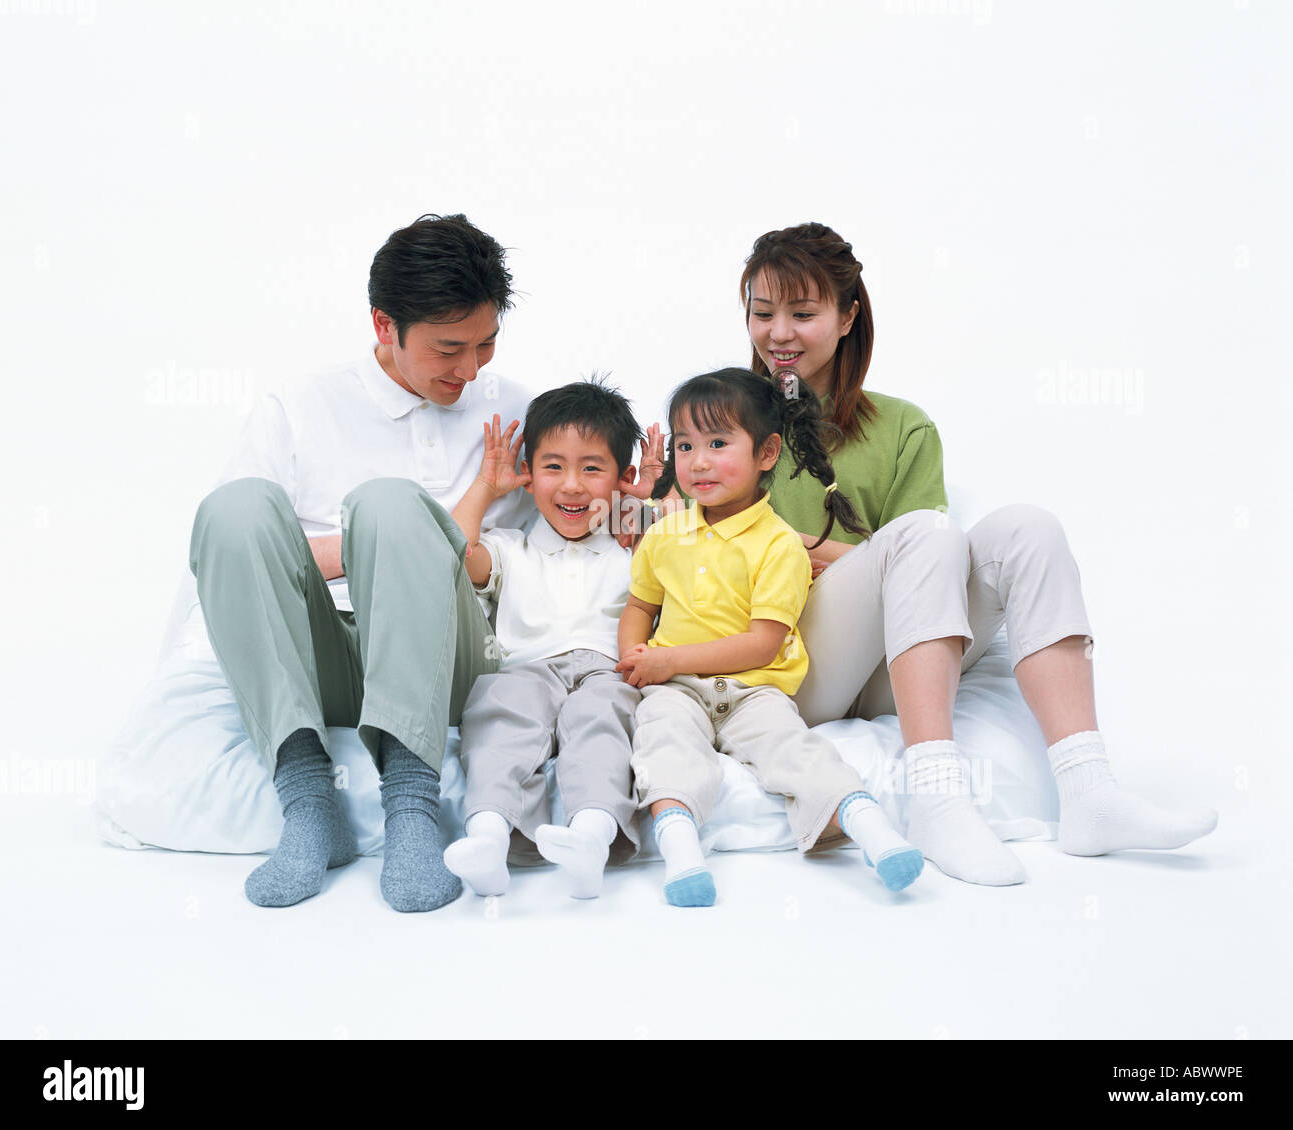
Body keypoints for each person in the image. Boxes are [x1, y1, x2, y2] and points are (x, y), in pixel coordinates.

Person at [738, 221, 1217, 886]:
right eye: (762, 313)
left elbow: (919, 572)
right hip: (786, 663)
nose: (778, 333)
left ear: (849, 317)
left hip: (892, 671)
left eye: (802, 312)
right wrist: (848, 556)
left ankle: (1089, 790)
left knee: (1027, 527)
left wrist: (824, 550)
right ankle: (938, 796)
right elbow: (700, 547)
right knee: (928, 537)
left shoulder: (903, 426)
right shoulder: (723, 418)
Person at [188, 213, 538, 912]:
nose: (469, 371)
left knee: (388, 504)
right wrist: (378, 550)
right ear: (385, 326)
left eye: (486, 344)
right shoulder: (300, 407)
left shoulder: (518, 413)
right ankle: (308, 801)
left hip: (452, 658)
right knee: (232, 508)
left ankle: (412, 806)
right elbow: (235, 554)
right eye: (448, 349)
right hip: (322, 660)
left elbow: (554, 544)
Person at [618, 368, 925, 908]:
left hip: (754, 690)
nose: (699, 461)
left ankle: (873, 830)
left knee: (797, 752)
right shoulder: (664, 533)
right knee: (663, 746)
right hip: (674, 688)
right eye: (685, 446)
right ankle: (683, 853)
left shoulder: (779, 544)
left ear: (767, 453)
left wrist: (669, 659)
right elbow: (640, 606)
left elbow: (763, 644)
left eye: (718, 443)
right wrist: (632, 657)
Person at [442, 380, 663, 900]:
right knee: (497, 716)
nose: (571, 485)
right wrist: (485, 489)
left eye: (592, 468)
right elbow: (450, 551)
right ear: (528, 476)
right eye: (553, 467)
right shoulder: (511, 548)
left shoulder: (637, 545)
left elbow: (694, 546)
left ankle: (591, 835)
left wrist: (647, 504)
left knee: (601, 721)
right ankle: (489, 837)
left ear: (621, 478)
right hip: (525, 670)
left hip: (607, 671)